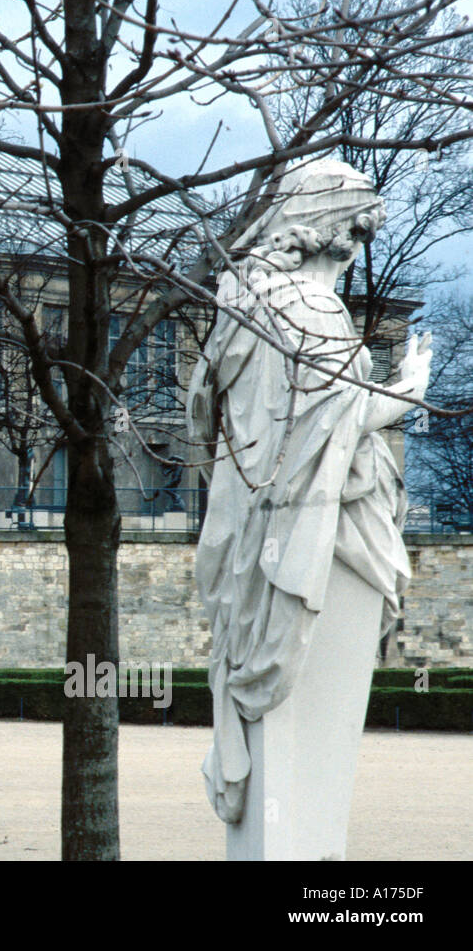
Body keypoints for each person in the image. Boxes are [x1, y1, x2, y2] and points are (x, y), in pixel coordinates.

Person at [187, 158, 430, 826]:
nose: (357, 248)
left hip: (269, 536)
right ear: (327, 228)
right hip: (327, 540)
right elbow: (330, 425)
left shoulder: (245, 304)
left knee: (289, 765)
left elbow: (243, 430)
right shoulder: (311, 308)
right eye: (354, 229)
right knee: (307, 763)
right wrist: (407, 392)